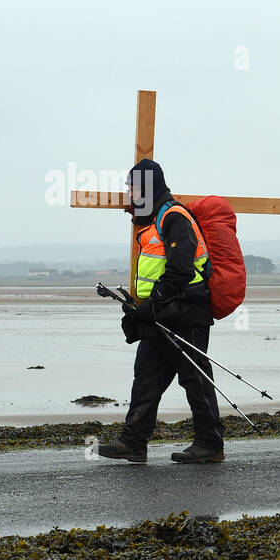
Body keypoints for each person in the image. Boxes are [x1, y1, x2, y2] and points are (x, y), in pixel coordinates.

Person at [97, 159, 225, 463]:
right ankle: (133, 442)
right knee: (146, 377)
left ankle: (210, 444)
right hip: (160, 315)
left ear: (150, 186)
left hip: (186, 313)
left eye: (134, 186)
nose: (130, 191)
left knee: (194, 379)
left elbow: (180, 270)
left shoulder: (174, 217)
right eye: (129, 186)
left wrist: (153, 305)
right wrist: (142, 309)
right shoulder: (153, 220)